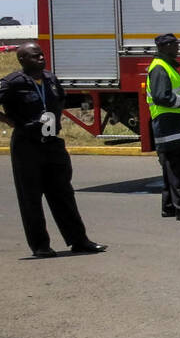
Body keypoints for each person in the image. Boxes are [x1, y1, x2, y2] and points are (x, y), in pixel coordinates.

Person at [0, 43, 106, 258]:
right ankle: (40, 246)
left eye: (41, 55)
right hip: (27, 145)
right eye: (34, 56)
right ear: (22, 60)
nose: (40, 59)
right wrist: (9, 121)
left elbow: (60, 102)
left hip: (52, 144)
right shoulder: (13, 83)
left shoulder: (50, 79)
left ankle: (79, 241)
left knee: (64, 193)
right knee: (31, 198)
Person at [147, 33, 180, 222]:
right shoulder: (160, 68)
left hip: (172, 127)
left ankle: (169, 206)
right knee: (177, 171)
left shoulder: (165, 66)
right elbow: (162, 97)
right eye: (174, 45)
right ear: (165, 47)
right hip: (170, 128)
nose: (178, 48)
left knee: (171, 168)